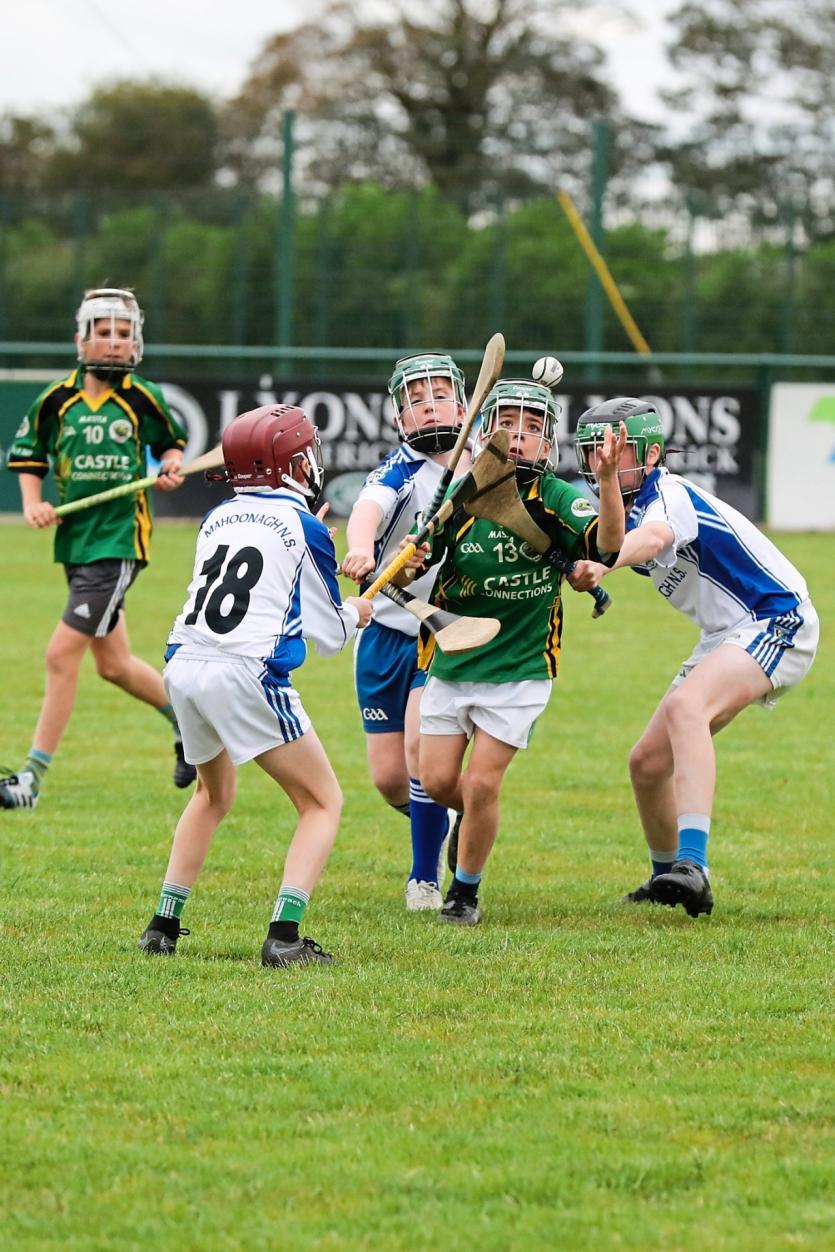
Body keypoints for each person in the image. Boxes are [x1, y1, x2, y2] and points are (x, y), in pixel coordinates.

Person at [137, 404, 372, 966]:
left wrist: (317, 545)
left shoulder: (217, 517)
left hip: (184, 667)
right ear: (289, 465)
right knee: (322, 802)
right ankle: (284, 937)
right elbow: (332, 635)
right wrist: (359, 608)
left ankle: (162, 926)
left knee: (212, 794)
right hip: (246, 674)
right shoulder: (305, 526)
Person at [572, 397, 820, 917]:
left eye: (616, 453)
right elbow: (604, 536)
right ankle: (668, 879)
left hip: (776, 617)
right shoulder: (616, 507)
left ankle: (694, 865)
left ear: (653, 453)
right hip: (725, 633)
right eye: (596, 453)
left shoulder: (669, 494)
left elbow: (653, 538)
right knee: (646, 763)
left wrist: (607, 565)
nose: (603, 465)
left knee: (688, 707)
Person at [412, 379, 626, 924]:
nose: (522, 437)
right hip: (455, 657)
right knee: (438, 783)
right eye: (510, 425)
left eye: (534, 429)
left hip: (521, 665)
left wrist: (606, 484)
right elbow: (424, 554)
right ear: (487, 434)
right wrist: (411, 559)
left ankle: (464, 892)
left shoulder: (558, 497)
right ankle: (476, 820)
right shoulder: (463, 494)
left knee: (482, 783)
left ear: (548, 445)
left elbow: (606, 544)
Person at [2, 287, 194, 811]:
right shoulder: (57, 400)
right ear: (81, 339)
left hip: (118, 539)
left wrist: (172, 464)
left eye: (123, 334)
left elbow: (170, 443)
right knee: (113, 664)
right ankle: (191, 730)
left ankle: (31, 779)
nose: (114, 344)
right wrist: (33, 502)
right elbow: (28, 455)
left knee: (61, 654)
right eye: (104, 333)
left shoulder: (141, 396)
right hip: (76, 541)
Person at [341, 353, 471, 912]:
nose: (428, 407)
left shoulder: (482, 468)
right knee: (390, 780)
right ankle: (448, 816)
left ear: (464, 406)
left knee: (420, 749)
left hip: (439, 634)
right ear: (400, 421)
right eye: (415, 402)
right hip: (384, 634)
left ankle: (424, 878)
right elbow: (367, 508)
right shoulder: (399, 469)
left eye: (439, 396)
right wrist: (361, 548)